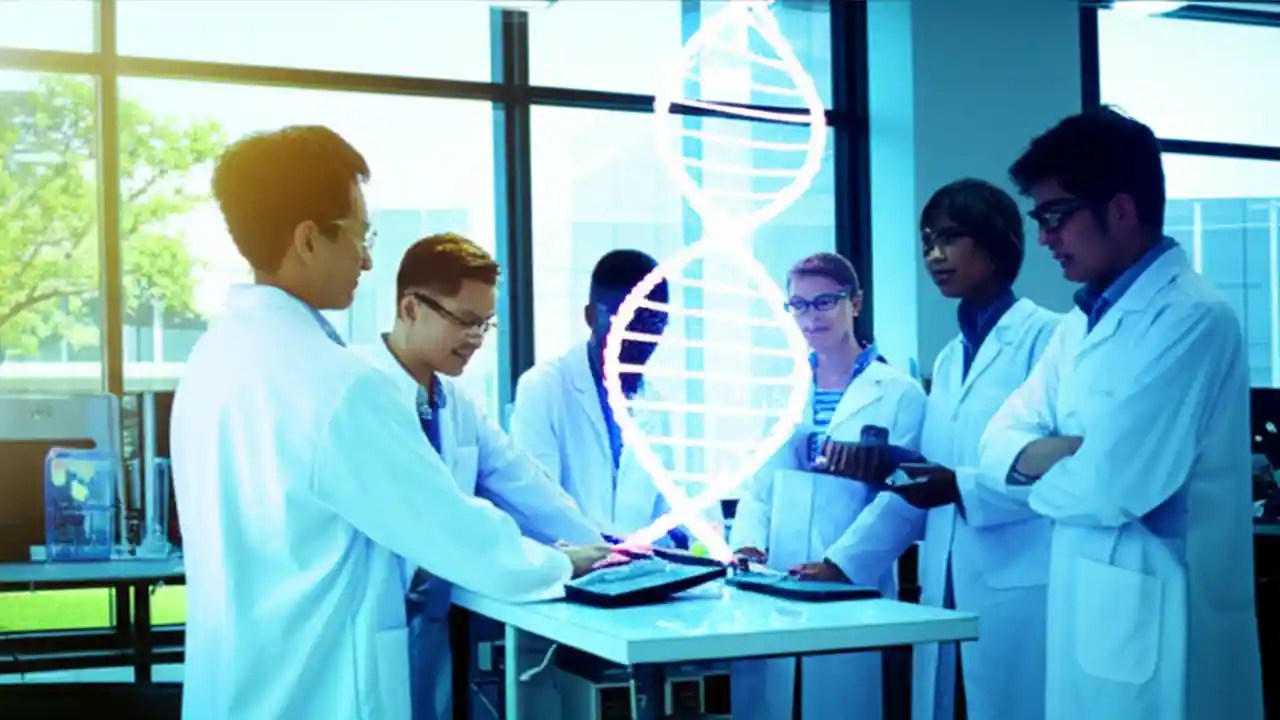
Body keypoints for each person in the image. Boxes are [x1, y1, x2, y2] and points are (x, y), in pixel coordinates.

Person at [169, 126, 610, 720]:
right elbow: (448, 526)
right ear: (307, 240)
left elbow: (513, 479)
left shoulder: (214, 359)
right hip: (317, 692)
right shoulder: (336, 385)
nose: (368, 258)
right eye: (360, 235)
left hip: (242, 686)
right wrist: (565, 562)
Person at [978, 107, 1264, 719]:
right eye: (1040, 219)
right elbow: (991, 448)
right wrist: (1075, 451)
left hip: (1165, 621)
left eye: (1055, 217)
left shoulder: (1192, 319)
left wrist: (1043, 462)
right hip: (1089, 609)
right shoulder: (1078, 325)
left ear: (1121, 210)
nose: (1045, 238)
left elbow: (1112, 486)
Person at [815, 179, 1062, 720]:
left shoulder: (1050, 340)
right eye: (927, 240)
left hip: (1021, 584)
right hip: (945, 582)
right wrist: (841, 560)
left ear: (996, 245)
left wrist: (958, 485)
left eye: (950, 238)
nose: (933, 255)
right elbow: (922, 486)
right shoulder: (949, 360)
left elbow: (1059, 472)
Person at [351, 233, 605, 720]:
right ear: (409, 307)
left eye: (485, 325)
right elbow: (437, 522)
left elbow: (522, 482)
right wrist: (558, 563)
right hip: (365, 625)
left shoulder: (455, 402)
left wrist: (602, 551)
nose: (476, 339)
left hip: (429, 627)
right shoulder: (363, 394)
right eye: (465, 321)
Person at [728, 252, 927, 720]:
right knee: (772, 702)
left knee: (842, 701)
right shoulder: (782, 391)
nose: (810, 317)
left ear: (855, 303)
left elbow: (903, 499)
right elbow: (761, 487)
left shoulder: (899, 392)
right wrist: (750, 547)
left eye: (824, 302)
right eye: (797, 305)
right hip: (777, 579)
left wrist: (842, 564)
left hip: (852, 583)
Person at [510, 249, 702, 543]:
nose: (643, 337)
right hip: (570, 578)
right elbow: (539, 509)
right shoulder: (544, 388)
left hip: (639, 577)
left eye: (655, 323)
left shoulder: (654, 404)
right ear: (591, 317)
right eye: (631, 322)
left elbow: (665, 510)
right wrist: (603, 547)